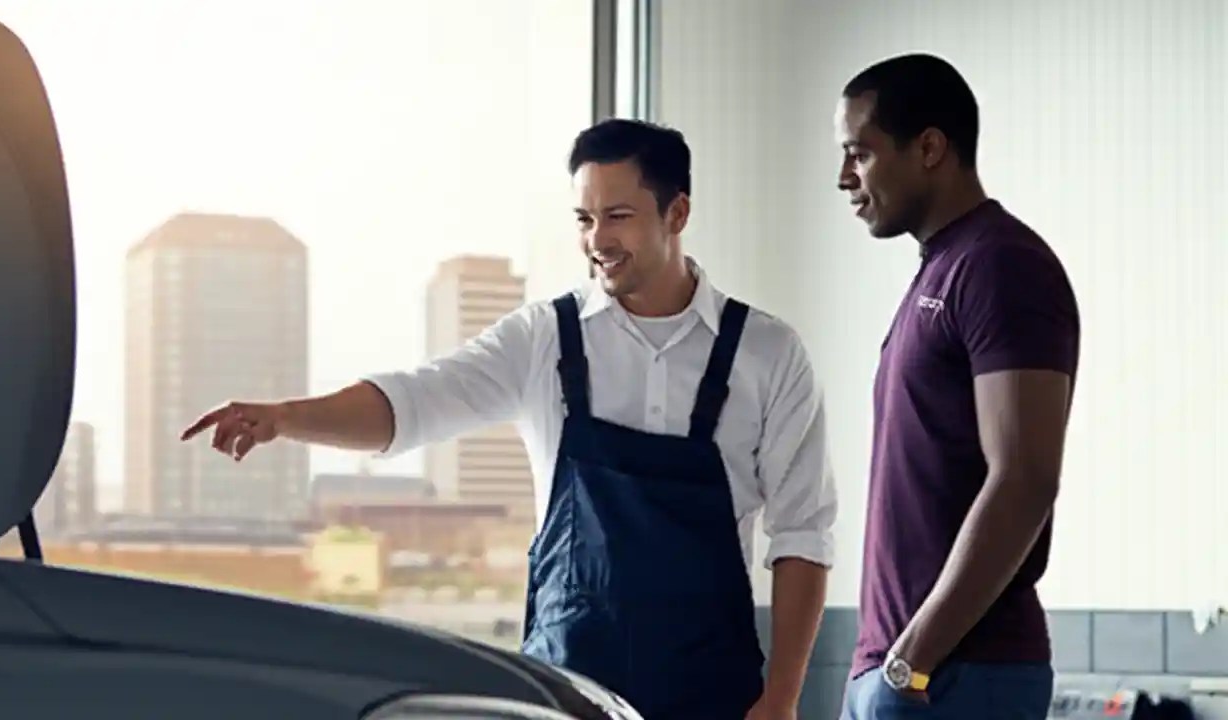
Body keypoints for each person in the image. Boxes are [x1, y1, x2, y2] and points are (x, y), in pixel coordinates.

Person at [181, 118, 837, 720]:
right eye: (583, 218)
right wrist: (285, 417)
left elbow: (802, 533)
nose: (596, 239)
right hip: (569, 697)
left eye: (618, 216)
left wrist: (781, 698)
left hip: (715, 699)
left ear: (678, 212)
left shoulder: (768, 355)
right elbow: (415, 402)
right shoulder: (543, 339)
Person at [833, 53, 1080, 720]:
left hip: (956, 675)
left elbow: (1025, 477)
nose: (843, 178)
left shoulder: (1001, 265)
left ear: (930, 148)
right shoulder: (940, 271)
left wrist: (912, 660)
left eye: (860, 153)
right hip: (907, 673)